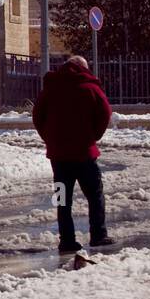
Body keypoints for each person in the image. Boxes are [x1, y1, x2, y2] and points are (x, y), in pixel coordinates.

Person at [32, 55, 114, 254]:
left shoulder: (50, 88)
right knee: (95, 195)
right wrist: (92, 136)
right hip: (85, 154)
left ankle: (66, 240)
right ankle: (98, 235)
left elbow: (37, 116)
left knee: (62, 199)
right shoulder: (90, 87)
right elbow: (105, 114)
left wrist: (50, 139)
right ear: (83, 68)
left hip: (58, 158)